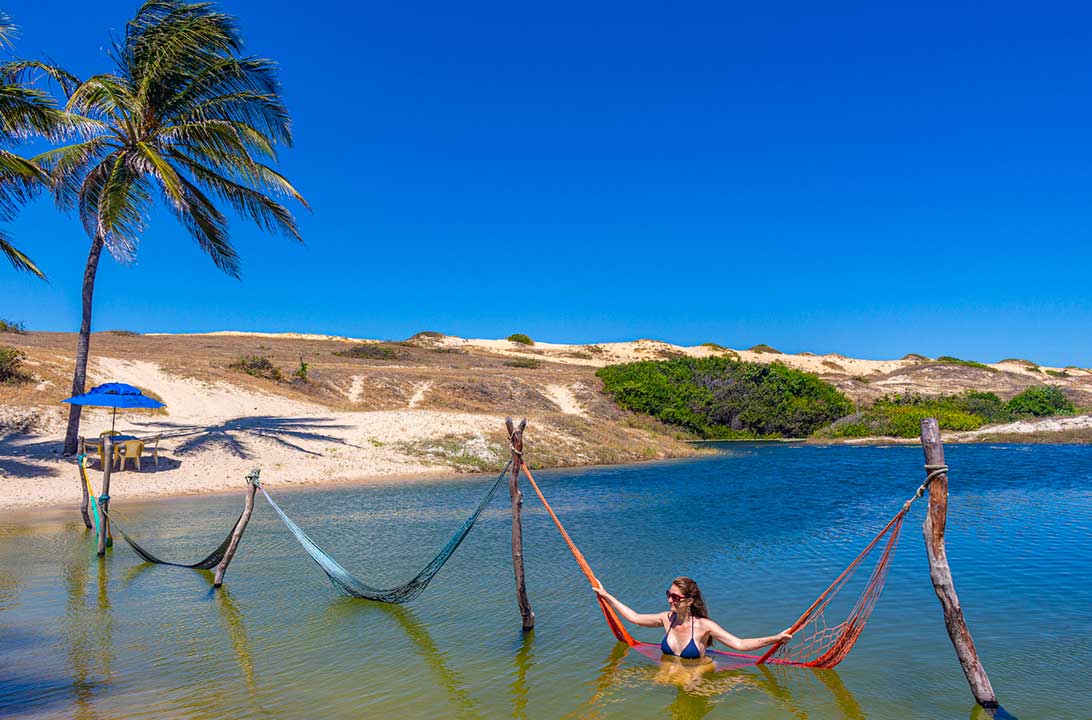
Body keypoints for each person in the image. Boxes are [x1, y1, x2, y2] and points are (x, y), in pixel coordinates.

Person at [593, 576, 793, 662]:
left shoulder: (704, 626)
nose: (670, 600)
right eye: (669, 594)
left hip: (696, 679)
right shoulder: (666, 619)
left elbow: (740, 644)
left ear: (689, 601)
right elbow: (635, 618)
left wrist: (775, 638)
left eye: (675, 597)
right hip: (670, 675)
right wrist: (606, 595)